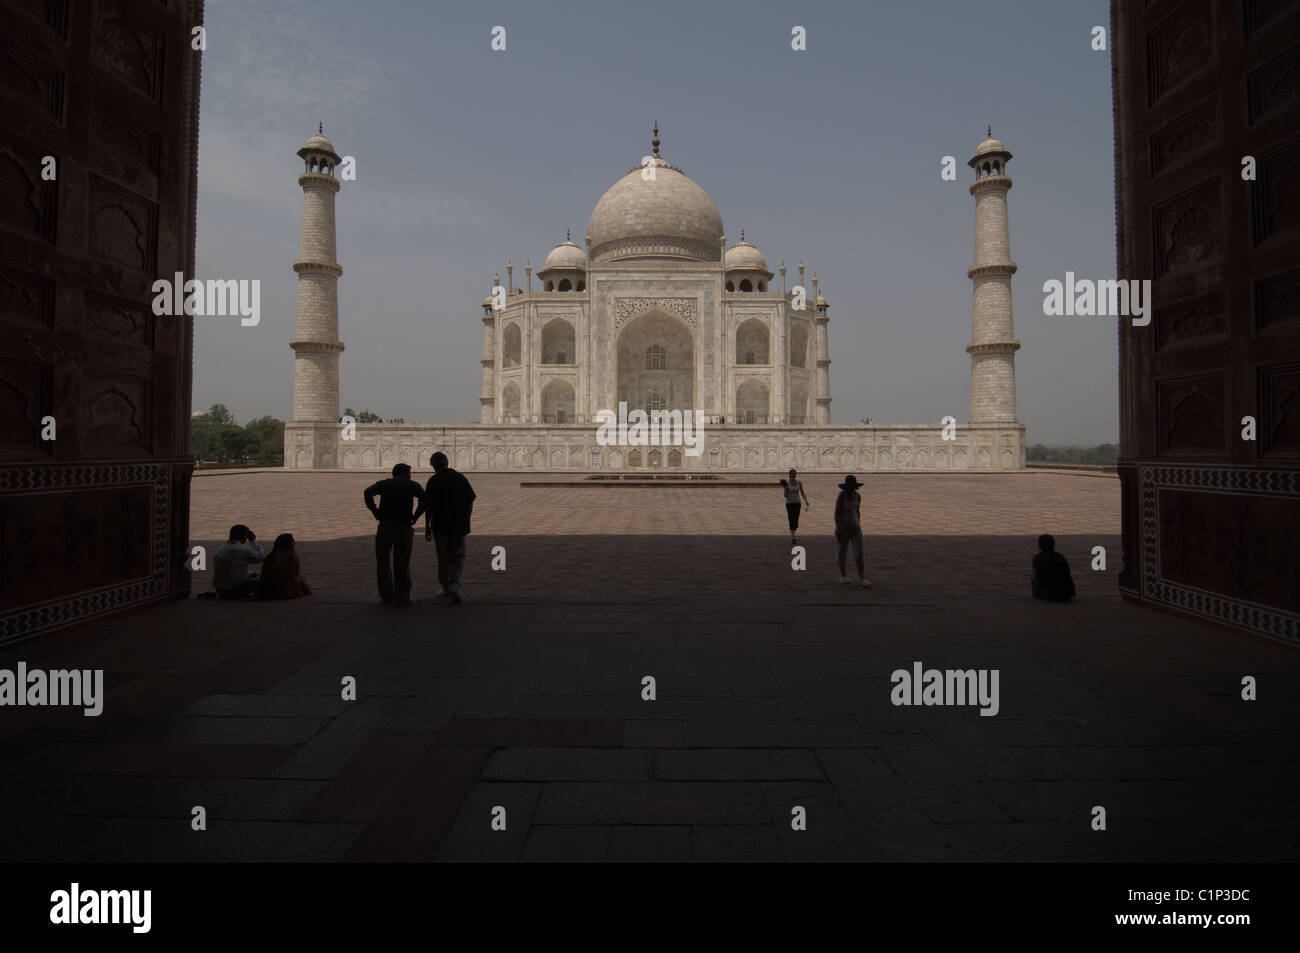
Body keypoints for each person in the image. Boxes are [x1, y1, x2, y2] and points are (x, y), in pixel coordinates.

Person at [364, 463, 426, 605]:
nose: (410, 475)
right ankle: (402, 595)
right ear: (405, 473)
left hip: (385, 525)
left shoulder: (385, 484)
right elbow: (425, 499)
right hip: (403, 526)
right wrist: (415, 516)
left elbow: (367, 492)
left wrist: (375, 511)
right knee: (402, 561)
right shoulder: (411, 485)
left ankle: (386, 594)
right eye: (409, 473)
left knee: (383, 559)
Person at [423, 452, 476, 604]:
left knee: (443, 557)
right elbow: (471, 499)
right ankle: (454, 586)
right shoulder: (460, 477)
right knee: (457, 556)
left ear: (433, 465)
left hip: (440, 525)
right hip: (459, 524)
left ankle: (447, 587)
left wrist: (427, 527)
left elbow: (429, 506)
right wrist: (467, 518)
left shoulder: (434, 480)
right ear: (447, 462)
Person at [833, 475, 871, 588]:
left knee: (859, 554)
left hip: (855, 527)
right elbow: (837, 513)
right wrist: (838, 528)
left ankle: (861, 578)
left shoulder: (858, 496)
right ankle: (843, 575)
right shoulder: (842, 496)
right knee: (842, 552)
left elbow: (857, 511)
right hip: (843, 527)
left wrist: (858, 522)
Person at [212, 524, 264, 600]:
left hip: (220, 590)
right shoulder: (241, 549)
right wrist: (253, 541)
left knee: (251, 573)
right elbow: (260, 558)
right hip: (235, 589)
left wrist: (250, 573)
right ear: (244, 536)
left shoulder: (222, 548)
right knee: (267, 581)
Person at [256, 533, 312, 599]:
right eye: (293, 541)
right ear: (290, 544)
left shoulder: (271, 555)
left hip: (266, 589)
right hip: (282, 589)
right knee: (301, 580)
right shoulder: (291, 555)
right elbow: (294, 574)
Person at [1031, 533, 1076, 602]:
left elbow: (1036, 576)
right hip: (1068, 593)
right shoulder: (1061, 557)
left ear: (1039, 546)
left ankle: (1038, 594)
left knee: (1033, 580)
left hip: (1050, 594)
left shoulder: (1038, 558)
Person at [778, 468, 810, 544]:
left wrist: (806, 500)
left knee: (796, 519)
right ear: (789, 475)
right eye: (792, 474)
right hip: (789, 503)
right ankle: (793, 536)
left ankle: (793, 532)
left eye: (794, 474)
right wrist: (786, 489)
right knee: (791, 518)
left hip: (797, 503)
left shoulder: (799, 482)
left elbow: (802, 492)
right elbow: (785, 496)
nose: (793, 476)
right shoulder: (787, 484)